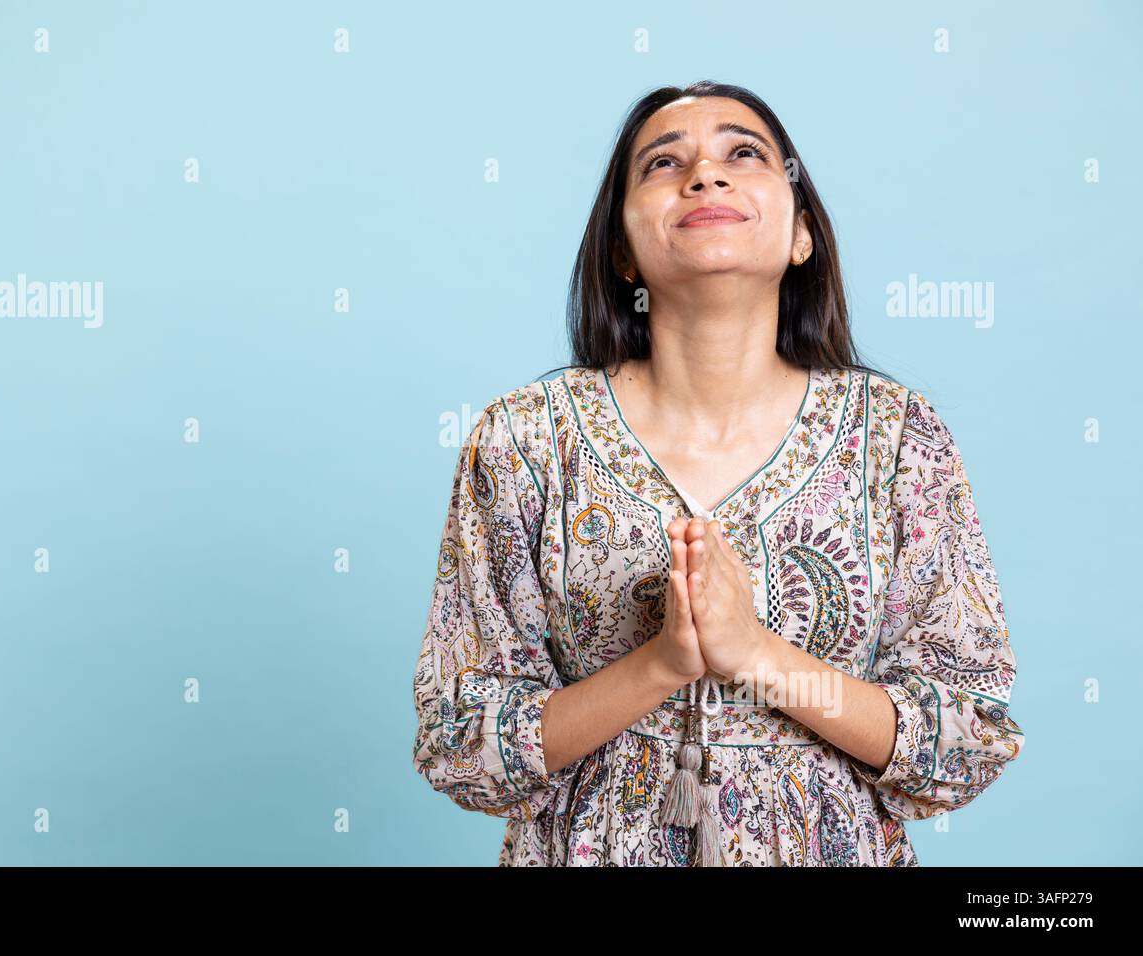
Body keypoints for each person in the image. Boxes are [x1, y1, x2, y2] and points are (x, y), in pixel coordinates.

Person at [410, 81, 1024, 866]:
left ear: (801, 232)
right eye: (664, 163)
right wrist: (661, 664)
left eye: (744, 153)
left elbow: (964, 743)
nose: (705, 174)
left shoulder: (898, 438)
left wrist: (757, 654)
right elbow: (462, 745)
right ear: (622, 249)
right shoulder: (524, 442)